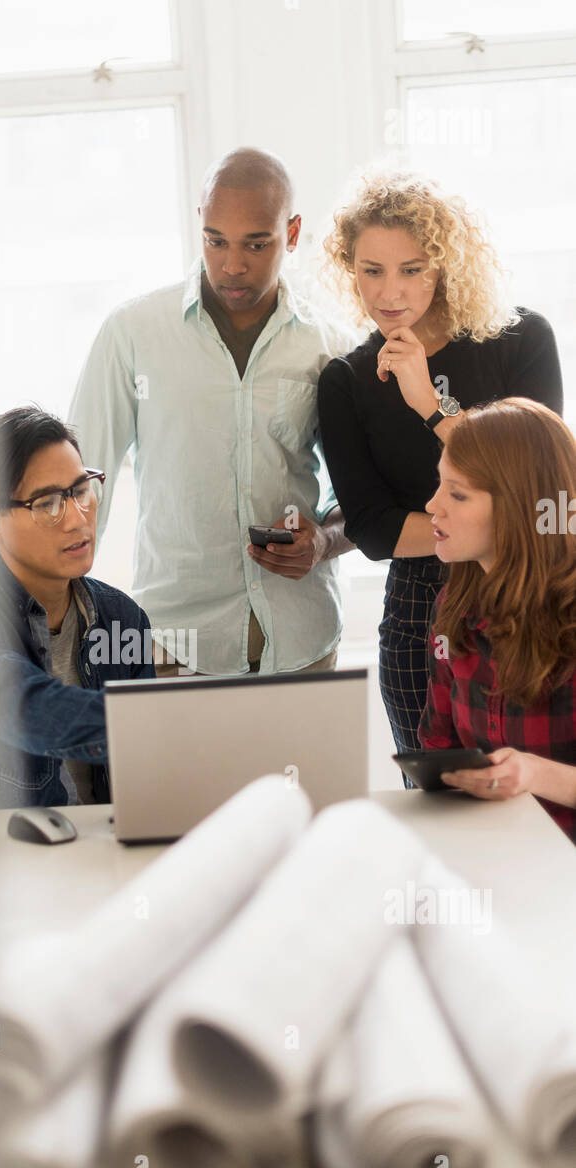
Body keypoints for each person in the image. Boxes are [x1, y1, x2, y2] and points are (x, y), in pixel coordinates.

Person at [68, 147, 356, 678]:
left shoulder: (330, 346)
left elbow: (363, 495)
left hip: (301, 642)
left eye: (257, 243)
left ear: (291, 234)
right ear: (199, 223)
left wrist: (323, 542)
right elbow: (82, 481)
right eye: (215, 240)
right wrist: (63, 620)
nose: (233, 264)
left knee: (306, 768)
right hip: (174, 643)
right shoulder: (132, 333)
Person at [317, 168, 563, 755]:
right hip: (419, 613)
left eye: (411, 270)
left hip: (537, 599)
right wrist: (489, 528)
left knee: (546, 809)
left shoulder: (523, 339)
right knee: (439, 810)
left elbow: (541, 487)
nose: (388, 293)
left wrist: (430, 403)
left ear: (445, 265)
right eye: (370, 271)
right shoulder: (347, 380)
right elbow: (374, 530)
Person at [0, 406, 155, 842]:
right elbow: (22, 706)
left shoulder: (123, 619)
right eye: (47, 503)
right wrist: (161, 721)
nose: (77, 518)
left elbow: (146, 775)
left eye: (81, 490)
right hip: (10, 864)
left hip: (109, 851)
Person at [420, 397, 576, 842]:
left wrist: (533, 774)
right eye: (439, 485)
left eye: (458, 493)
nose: (433, 505)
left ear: (520, 506)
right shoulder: (455, 604)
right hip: (490, 857)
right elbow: (439, 746)